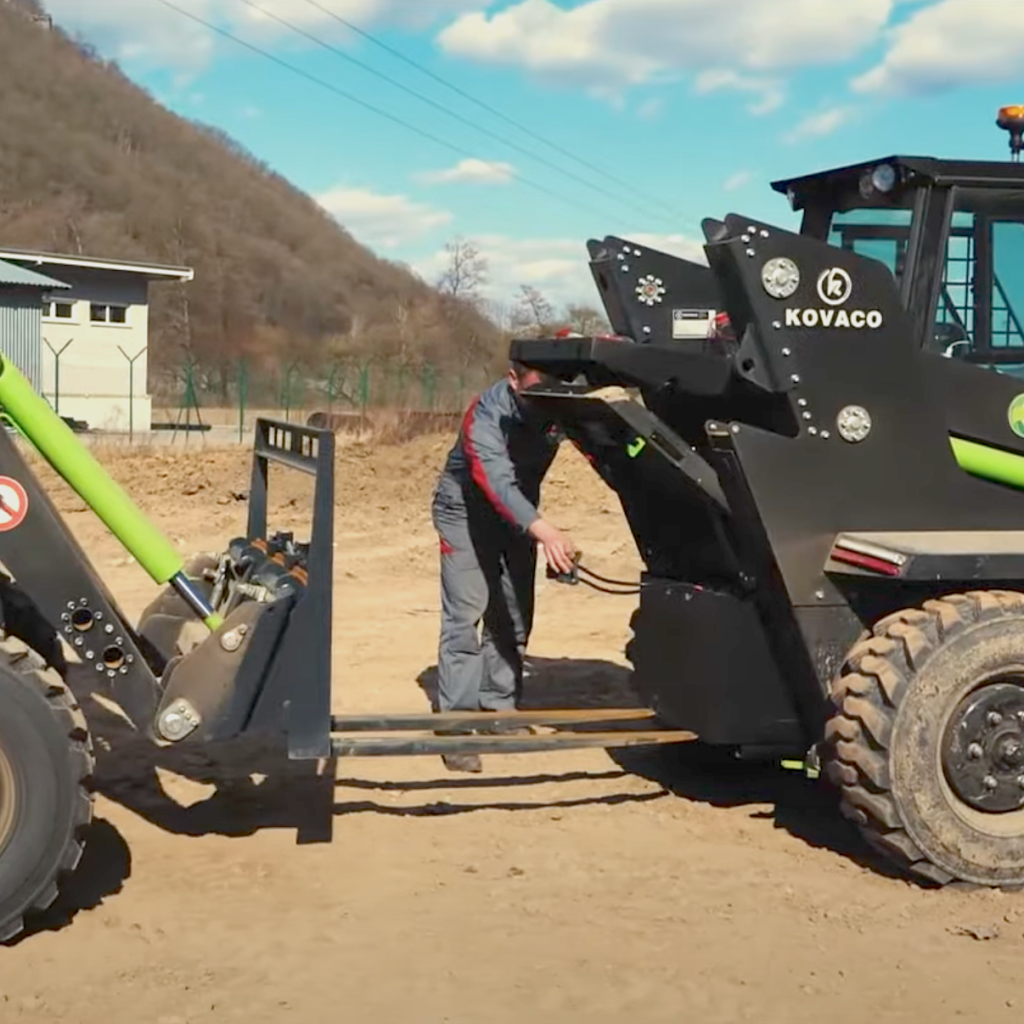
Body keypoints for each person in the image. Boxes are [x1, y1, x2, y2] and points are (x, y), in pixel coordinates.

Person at [430, 359, 577, 772]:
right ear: (513, 379)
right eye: (536, 389)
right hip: (464, 510)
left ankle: (499, 707)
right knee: (467, 612)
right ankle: (457, 730)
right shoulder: (484, 415)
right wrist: (545, 532)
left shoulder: (557, 407)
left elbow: (607, 443)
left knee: (513, 612)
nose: (545, 398)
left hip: (520, 514)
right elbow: (494, 481)